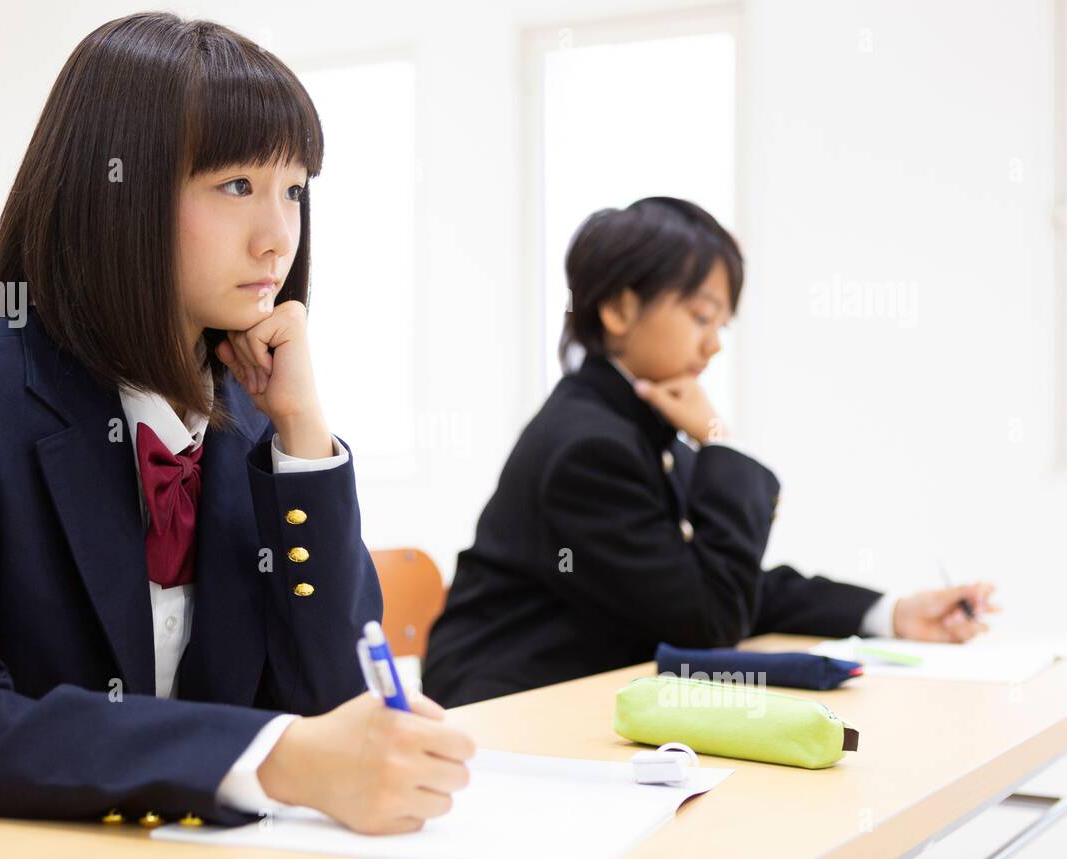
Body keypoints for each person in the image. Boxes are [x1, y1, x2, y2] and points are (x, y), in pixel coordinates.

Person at [0, 13, 473, 856]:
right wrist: (277, 758)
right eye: (236, 186)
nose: (278, 235)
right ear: (119, 193)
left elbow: (332, 704)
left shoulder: (256, 417)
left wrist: (303, 442)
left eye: (295, 188)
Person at [422, 196, 996, 707]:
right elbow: (707, 618)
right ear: (619, 310)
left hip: (579, 698)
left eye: (721, 323)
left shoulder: (636, 426)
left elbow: (729, 587)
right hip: (509, 711)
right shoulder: (591, 447)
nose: (714, 344)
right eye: (700, 316)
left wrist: (893, 612)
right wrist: (719, 441)